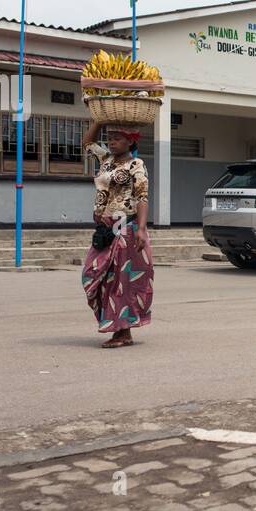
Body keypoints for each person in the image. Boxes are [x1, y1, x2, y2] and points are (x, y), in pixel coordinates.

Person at [79, 120, 153, 347]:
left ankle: (122, 332)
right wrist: (99, 121)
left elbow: (141, 197)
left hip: (125, 226)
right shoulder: (106, 160)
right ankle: (120, 329)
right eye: (110, 138)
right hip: (104, 227)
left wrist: (140, 229)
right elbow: (87, 143)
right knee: (92, 275)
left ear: (130, 141)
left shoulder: (136, 165)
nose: (111, 142)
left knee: (121, 280)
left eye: (117, 138)